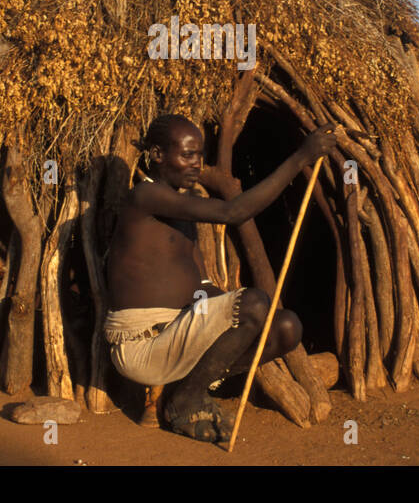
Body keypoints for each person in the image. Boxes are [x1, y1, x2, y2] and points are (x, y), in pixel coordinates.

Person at [104, 114, 337, 443]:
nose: (197, 163)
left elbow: (201, 287)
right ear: (157, 155)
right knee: (255, 304)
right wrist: (301, 157)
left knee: (286, 327)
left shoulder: (181, 210)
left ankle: (186, 389)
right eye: (187, 155)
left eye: (199, 154)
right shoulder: (145, 196)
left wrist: (239, 317)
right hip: (144, 345)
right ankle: (187, 401)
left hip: (181, 338)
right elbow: (233, 212)